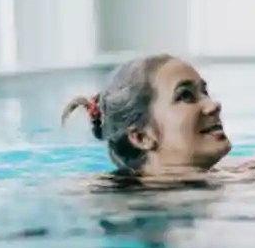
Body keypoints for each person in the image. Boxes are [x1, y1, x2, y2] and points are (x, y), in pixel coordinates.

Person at [63, 54, 235, 178]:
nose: (214, 105)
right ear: (141, 137)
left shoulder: (232, 177)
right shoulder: (122, 210)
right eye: (185, 96)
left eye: (204, 92)